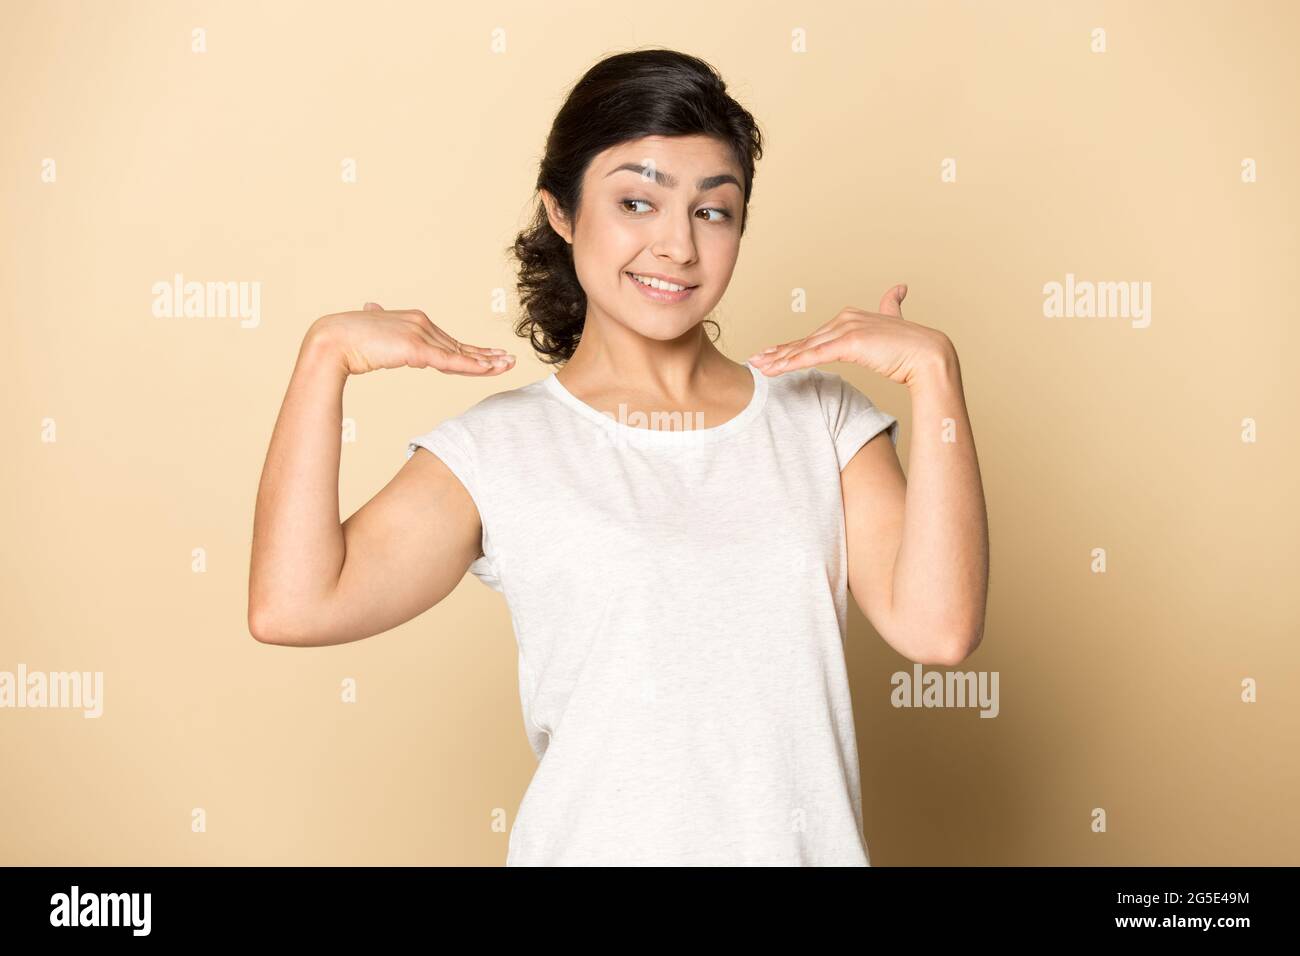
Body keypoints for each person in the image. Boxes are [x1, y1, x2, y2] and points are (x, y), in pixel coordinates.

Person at [248, 48, 989, 866]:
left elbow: (940, 630)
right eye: (637, 201)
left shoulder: (821, 421)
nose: (676, 246)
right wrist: (324, 360)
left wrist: (935, 377)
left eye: (714, 212)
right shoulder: (502, 449)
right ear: (560, 213)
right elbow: (293, 605)